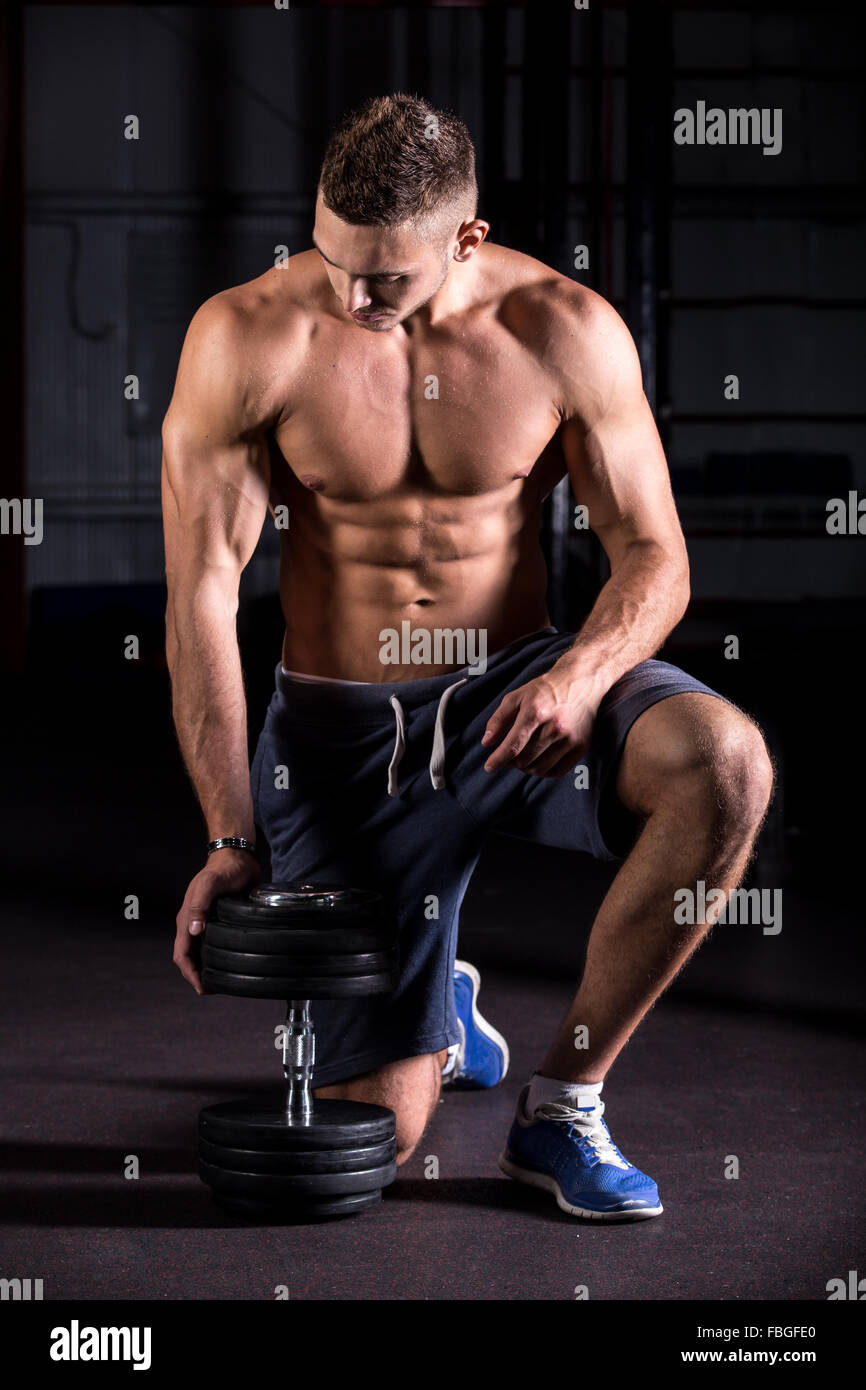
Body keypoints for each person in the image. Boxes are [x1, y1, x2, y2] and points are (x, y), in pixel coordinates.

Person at [162, 94, 773, 1221]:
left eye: (385, 280)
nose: (352, 298)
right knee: (375, 1150)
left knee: (724, 765)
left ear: (467, 240)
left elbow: (654, 554)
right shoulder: (245, 335)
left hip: (514, 700)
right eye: (333, 259)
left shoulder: (562, 328)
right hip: (344, 746)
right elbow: (203, 592)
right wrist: (231, 830)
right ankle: (432, 978)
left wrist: (578, 677)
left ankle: (562, 1106)